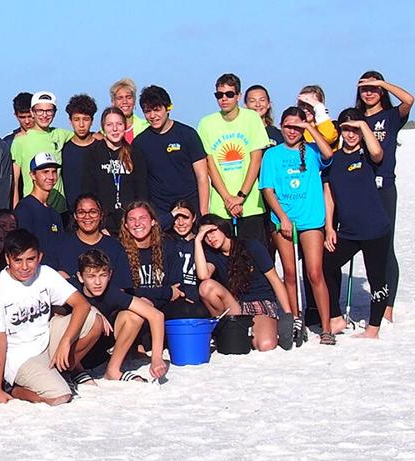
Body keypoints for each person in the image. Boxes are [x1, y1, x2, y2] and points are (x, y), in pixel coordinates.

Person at [0, 229, 103, 405]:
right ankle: (14, 388)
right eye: (18, 260)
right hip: (20, 356)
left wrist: (66, 341)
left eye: (30, 259)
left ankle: (62, 371)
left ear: (39, 257)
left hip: (47, 339)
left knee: (94, 320)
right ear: (8, 259)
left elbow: (82, 304)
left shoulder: (45, 273)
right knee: (60, 397)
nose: (25, 267)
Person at [259, 107, 334, 343]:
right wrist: (282, 217)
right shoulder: (272, 155)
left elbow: (329, 155)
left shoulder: (311, 151)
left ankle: (326, 327)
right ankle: (295, 319)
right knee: (289, 273)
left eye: (296, 126)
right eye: (287, 126)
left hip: (310, 218)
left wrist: (309, 127)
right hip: (283, 218)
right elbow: (268, 190)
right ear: (280, 126)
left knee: (314, 272)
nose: (291, 131)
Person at [324, 109, 392, 339]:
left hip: (375, 229)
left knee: (376, 278)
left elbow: (377, 152)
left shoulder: (367, 154)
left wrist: (362, 125)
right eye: (346, 129)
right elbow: (330, 195)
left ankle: (373, 328)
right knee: (326, 265)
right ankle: (336, 316)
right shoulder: (334, 159)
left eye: (355, 130)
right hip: (348, 231)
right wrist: (330, 228)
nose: (351, 134)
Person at [355, 71, 412, 324]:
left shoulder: (390, 116)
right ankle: (376, 297)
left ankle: (387, 304)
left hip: (384, 186)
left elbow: (409, 100)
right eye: (364, 88)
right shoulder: (355, 118)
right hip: (360, 188)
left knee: (385, 247)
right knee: (366, 246)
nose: (369, 92)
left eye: (373, 88)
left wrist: (381, 83)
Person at [194, 214, 293, 352]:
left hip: (260, 301)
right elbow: (204, 275)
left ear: (222, 228)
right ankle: (225, 330)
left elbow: (275, 280)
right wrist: (197, 241)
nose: (210, 238)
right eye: (205, 235)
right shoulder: (212, 254)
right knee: (206, 287)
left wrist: (288, 315)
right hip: (235, 305)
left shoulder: (251, 245)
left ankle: (257, 329)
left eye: (212, 231)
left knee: (265, 344)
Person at [197, 73, 270, 247]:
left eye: (229, 94)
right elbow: (210, 165)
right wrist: (228, 199)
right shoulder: (206, 123)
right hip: (221, 206)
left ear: (238, 95)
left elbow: (256, 160)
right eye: (219, 95)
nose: (224, 99)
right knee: (224, 260)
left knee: (255, 257)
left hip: (250, 204)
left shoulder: (252, 118)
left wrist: (240, 197)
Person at [75, 249, 168, 382]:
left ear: (110, 275)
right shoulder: (71, 288)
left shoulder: (111, 292)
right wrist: (92, 310)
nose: (97, 282)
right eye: (91, 276)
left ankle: (113, 370)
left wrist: (156, 358)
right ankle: (75, 370)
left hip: (101, 348)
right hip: (75, 350)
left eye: (102, 275)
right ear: (80, 277)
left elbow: (156, 315)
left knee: (134, 316)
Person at [132, 85, 209, 230]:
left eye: (157, 109)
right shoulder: (140, 142)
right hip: (160, 212)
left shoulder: (188, 134)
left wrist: (203, 213)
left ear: (168, 107)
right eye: (147, 111)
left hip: (189, 208)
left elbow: (202, 176)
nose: (153, 116)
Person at [81, 107, 149, 235]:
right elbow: (88, 192)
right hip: (103, 227)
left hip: (130, 226)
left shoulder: (135, 154)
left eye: (119, 124)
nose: (115, 129)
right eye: (109, 125)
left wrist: (136, 223)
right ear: (103, 127)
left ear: (125, 126)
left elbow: (142, 193)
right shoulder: (92, 153)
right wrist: (100, 226)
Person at [48, 194, 132, 290]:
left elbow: (122, 288)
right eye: (81, 212)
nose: (87, 216)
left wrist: (71, 281)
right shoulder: (60, 245)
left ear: (101, 215)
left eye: (93, 212)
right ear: (75, 216)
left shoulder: (115, 247)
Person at [10, 91, 74, 213]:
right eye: (40, 111)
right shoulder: (20, 141)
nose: (44, 115)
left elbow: (86, 136)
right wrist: (16, 212)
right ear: (32, 112)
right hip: (33, 208)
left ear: (54, 113)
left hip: (60, 210)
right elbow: (15, 182)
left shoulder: (60, 134)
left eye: (49, 111)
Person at [118, 202, 183, 312]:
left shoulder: (167, 246)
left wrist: (153, 302)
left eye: (142, 218)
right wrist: (166, 292)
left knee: (190, 311)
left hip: (163, 304)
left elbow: (177, 288)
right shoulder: (118, 250)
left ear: (153, 222)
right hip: (132, 307)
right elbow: (122, 291)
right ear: (126, 225)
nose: (137, 223)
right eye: (132, 219)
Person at [13, 153, 62, 262]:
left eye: (54, 172)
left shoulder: (55, 213)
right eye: (45, 172)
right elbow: (22, 249)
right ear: (33, 175)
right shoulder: (24, 209)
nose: (51, 177)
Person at [61, 94, 99, 227]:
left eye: (86, 119)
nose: (81, 124)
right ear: (70, 121)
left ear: (92, 121)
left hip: (98, 215)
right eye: (77, 119)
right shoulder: (64, 149)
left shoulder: (101, 147)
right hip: (72, 217)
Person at [166, 200, 204, 313]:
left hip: (199, 301)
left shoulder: (203, 242)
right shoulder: (167, 242)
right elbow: (152, 228)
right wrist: (169, 216)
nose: (181, 223)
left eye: (185, 217)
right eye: (176, 218)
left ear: (194, 218)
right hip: (174, 301)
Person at [109, 78, 149, 143]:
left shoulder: (146, 127)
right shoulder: (105, 130)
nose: (124, 101)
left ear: (134, 100)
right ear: (113, 102)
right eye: (120, 98)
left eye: (128, 97)